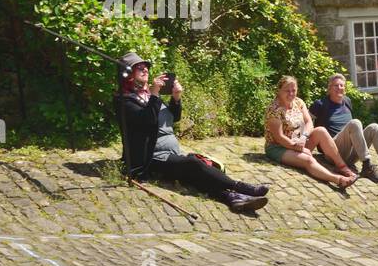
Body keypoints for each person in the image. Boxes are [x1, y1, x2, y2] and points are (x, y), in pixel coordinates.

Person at [114, 53, 268, 213]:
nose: (145, 69)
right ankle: (240, 187)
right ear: (128, 74)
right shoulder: (124, 100)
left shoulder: (148, 95)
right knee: (192, 165)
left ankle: (231, 198)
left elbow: (172, 117)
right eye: (139, 67)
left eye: (146, 67)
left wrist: (176, 98)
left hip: (170, 152)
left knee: (192, 173)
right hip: (150, 158)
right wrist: (154, 95)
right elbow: (147, 121)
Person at [308, 74, 378, 187]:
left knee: (374, 127)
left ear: (345, 88)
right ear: (329, 88)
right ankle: (367, 166)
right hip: (332, 150)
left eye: (341, 85)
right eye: (335, 85)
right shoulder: (320, 104)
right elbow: (307, 122)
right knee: (355, 123)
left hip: (351, 153)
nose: (339, 88)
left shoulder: (347, 101)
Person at [265, 76, 358, 191]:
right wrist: (299, 148)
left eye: (293, 90)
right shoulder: (274, 110)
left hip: (298, 142)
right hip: (279, 147)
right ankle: (338, 180)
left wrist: (304, 137)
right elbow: (279, 138)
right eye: (287, 90)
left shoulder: (298, 102)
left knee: (321, 131)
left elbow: (309, 122)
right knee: (308, 160)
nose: (291, 93)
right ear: (279, 91)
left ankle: (342, 167)